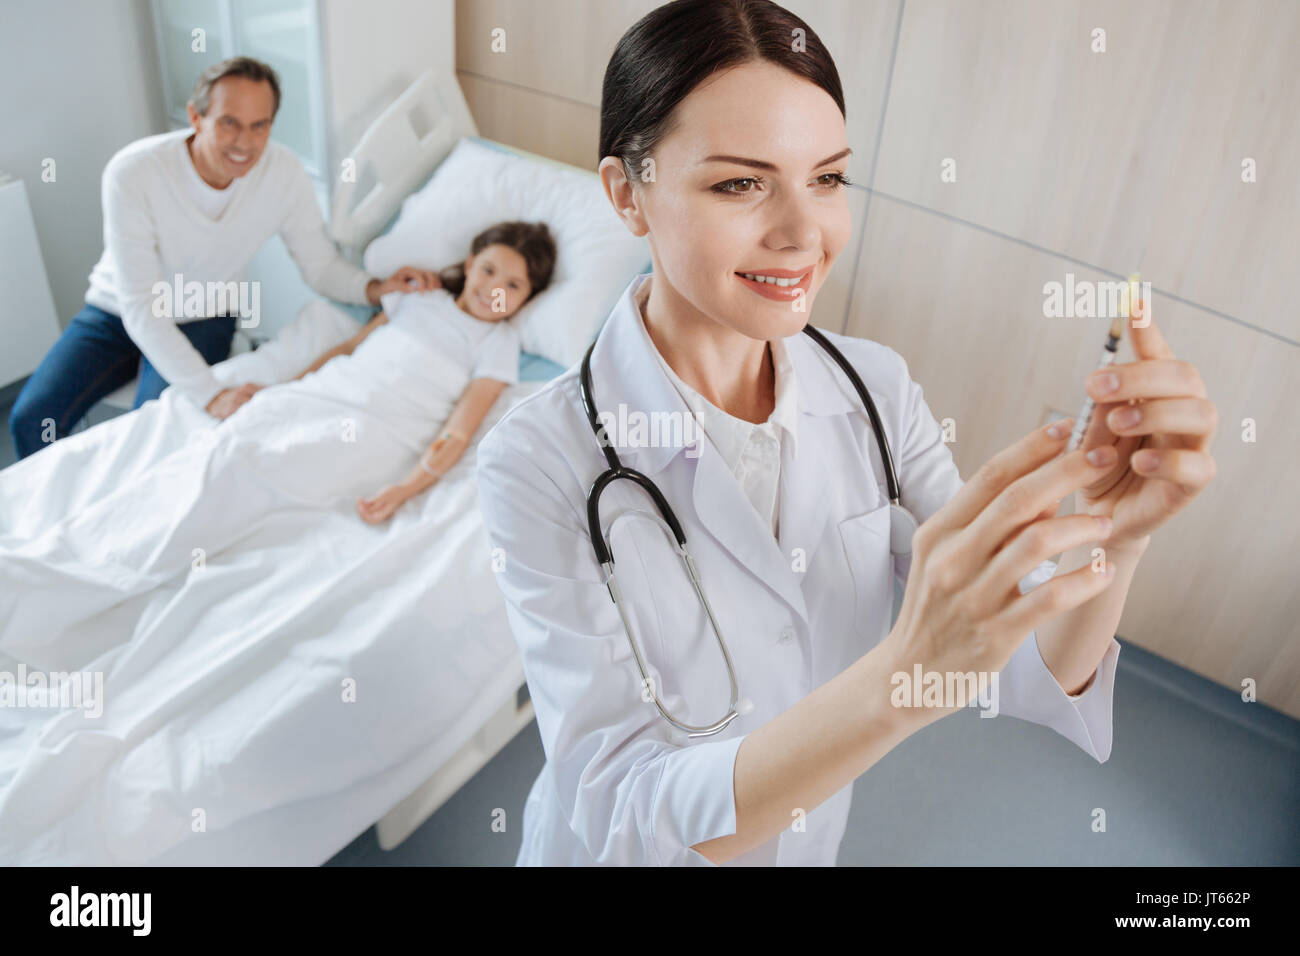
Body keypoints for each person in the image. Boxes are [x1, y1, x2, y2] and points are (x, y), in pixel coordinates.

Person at [474, 0, 1218, 866]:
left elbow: (1023, 662)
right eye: (740, 183)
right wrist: (901, 677)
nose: (803, 236)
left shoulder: (876, 389)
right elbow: (621, 813)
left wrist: (1112, 540)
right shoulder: (539, 461)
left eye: (827, 179)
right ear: (625, 193)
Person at [0, 221, 556, 652]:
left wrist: (405, 490)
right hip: (317, 397)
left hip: (368, 431)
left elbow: (460, 428)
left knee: (241, 472)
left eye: (514, 285)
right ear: (468, 264)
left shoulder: (496, 347)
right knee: (221, 451)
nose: (495, 291)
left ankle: (61, 587)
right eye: (489, 271)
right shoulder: (415, 300)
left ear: (528, 299)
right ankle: (70, 561)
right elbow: (346, 351)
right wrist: (281, 389)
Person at [9, 55, 437, 460]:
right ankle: (47, 527)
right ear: (197, 118)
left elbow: (321, 267)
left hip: (204, 315)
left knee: (152, 435)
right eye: (229, 123)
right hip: (118, 314)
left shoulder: (283, 174)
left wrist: (375, 288)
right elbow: (141, 308)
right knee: (33, 418)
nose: (245, 143)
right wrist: (210, 392)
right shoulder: (134, 173)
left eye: (260, 126)